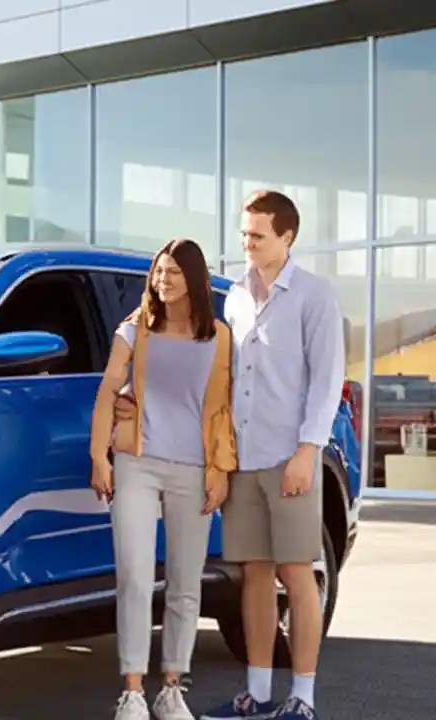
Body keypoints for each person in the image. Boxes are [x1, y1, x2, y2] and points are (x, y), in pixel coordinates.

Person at [118, 191, 345, 720]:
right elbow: (214, 374)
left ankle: (302, 699)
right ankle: (257, 694)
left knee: (297, 574)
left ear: (287, 237)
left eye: (257, 235)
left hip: (290, 456)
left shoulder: (314, 296)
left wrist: (308, 449)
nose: (247, 243)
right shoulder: (237, 297)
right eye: (244, 234)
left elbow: (327, 379)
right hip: (241, 460)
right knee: (255, 575)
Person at [91, 237, 238, 720]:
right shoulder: (135, 331)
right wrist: (100, 457)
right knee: (133, 577)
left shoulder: (219, 337)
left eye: (173, 272)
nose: (162, 280)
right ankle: (131, 692)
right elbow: (109, 390)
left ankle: (171, 688)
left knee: (185, 584)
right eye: (158, 271)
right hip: (138, 462)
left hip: (193, 471)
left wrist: (221, 471)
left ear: (193, 279)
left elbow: (222, 411)